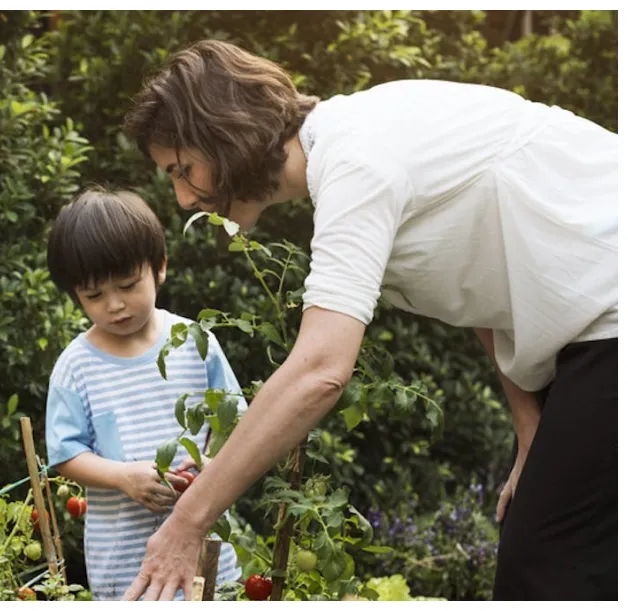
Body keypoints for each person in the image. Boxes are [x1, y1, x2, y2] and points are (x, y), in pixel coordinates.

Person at [119, 39, 617, 601]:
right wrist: (531, 432)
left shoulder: (356, 160)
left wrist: (188, 521)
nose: (184, 198)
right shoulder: (352, 145)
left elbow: (321, 370)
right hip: (595, 333)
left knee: (546, 574)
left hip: (610, 315)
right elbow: (483, 282)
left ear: (225, 133)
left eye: (184, 169)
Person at [44, 188, 248, 601]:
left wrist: (213, 463)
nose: (115, 305)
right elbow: (65, 454)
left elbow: (236, 419)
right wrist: (124, 477)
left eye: (127, 285)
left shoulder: (194, 341)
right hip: (125, 565)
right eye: (94, 296)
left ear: (159, 269)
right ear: (75, 296)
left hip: (205, 554)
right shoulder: (76, 366)